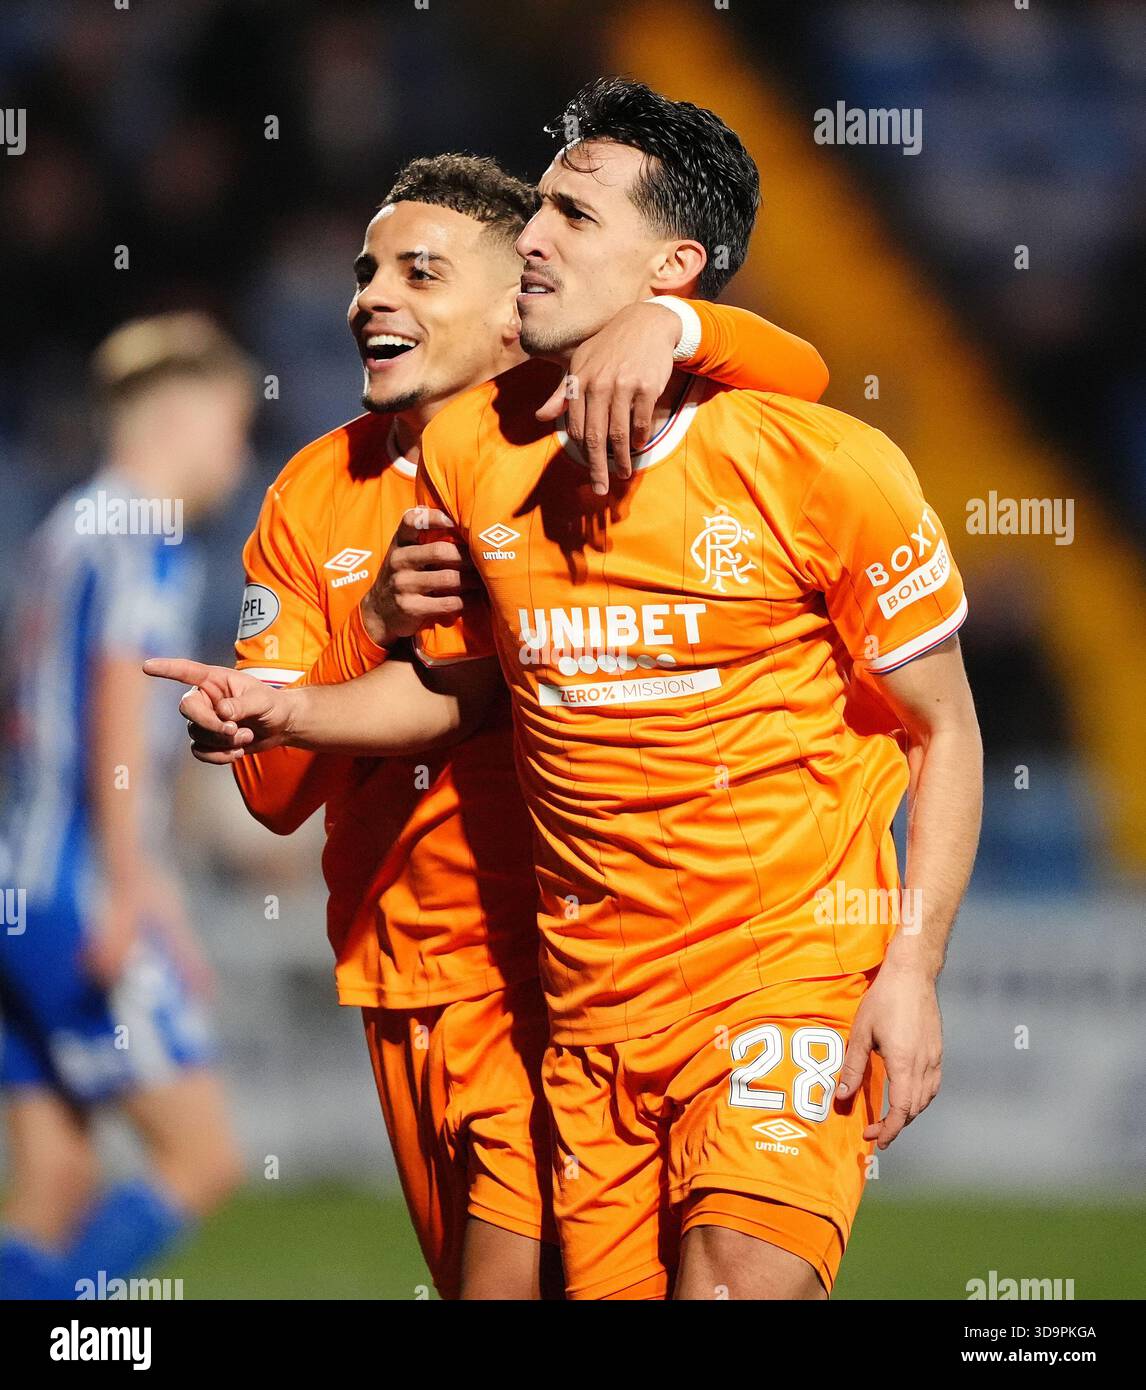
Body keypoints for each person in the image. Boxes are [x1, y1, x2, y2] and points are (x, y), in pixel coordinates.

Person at [146, 78, 981, 1300]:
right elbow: (456, 697)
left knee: (737, 1278)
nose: (535, 235)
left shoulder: (817, 460)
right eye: (537, 211)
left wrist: (908, 971)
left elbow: (944, 726)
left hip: (775, 975)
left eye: (571, 217)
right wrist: (303, 699)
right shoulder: (471, 458)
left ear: (672, 265)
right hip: (585, 1014)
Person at [0, 314, 252, 1299]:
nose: (236, 459)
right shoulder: (141, 529)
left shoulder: (70, 526)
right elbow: (117, 716)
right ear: (181, 420)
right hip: (73, 883)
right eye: (232, 429)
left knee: (56, 1180)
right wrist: (132, 894)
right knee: (203, 1160)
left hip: (20, 874)